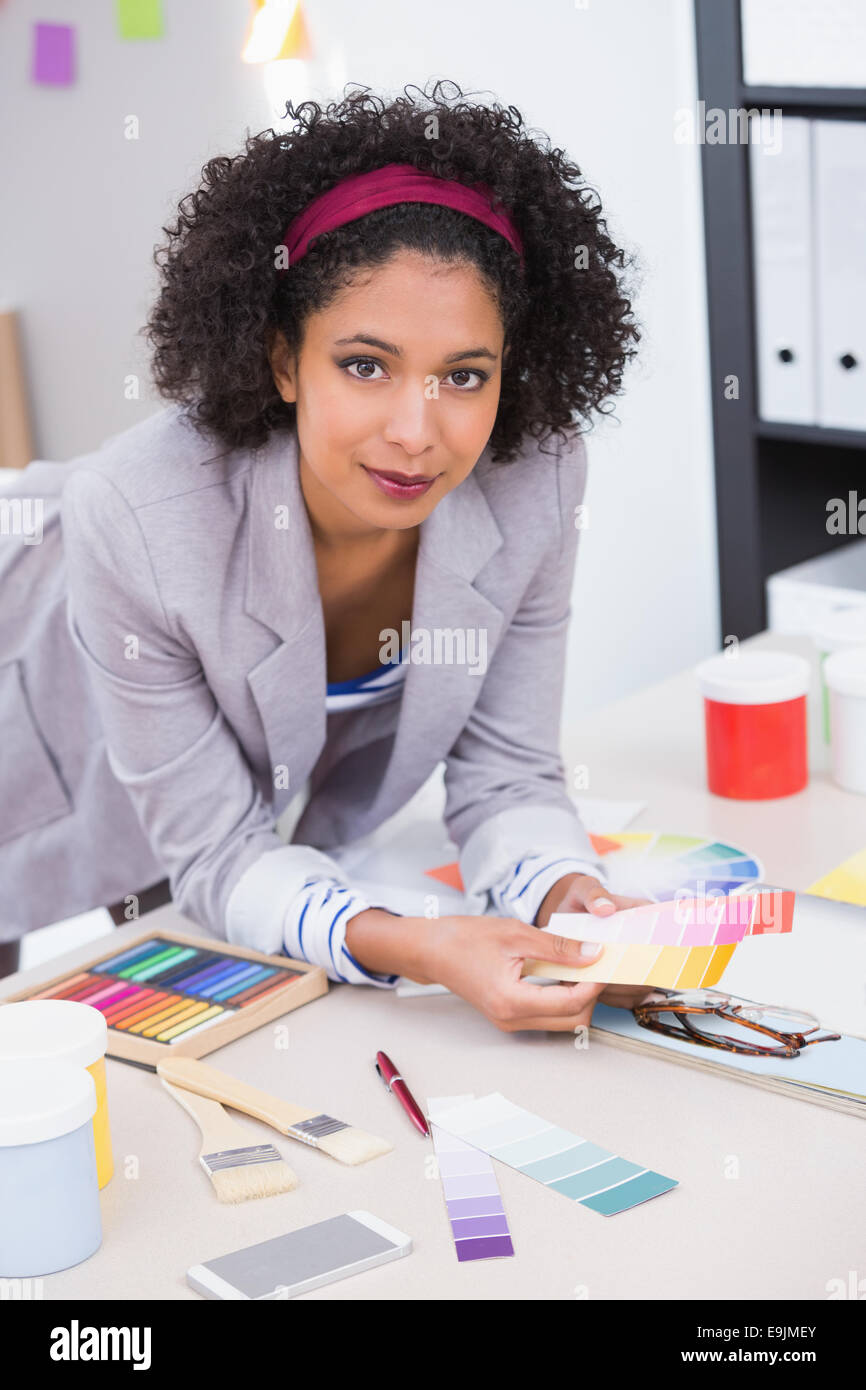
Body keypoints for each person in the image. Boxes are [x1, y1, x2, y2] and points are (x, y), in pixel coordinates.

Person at [0, 79, 649, 1029]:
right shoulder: (141, 513)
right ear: (280, 361)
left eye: (464, 376)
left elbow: (508, 775)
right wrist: (420, 946)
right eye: (364, 365)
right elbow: (218, 853)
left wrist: (571, 905)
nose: (415, 432)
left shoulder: (537, 479)